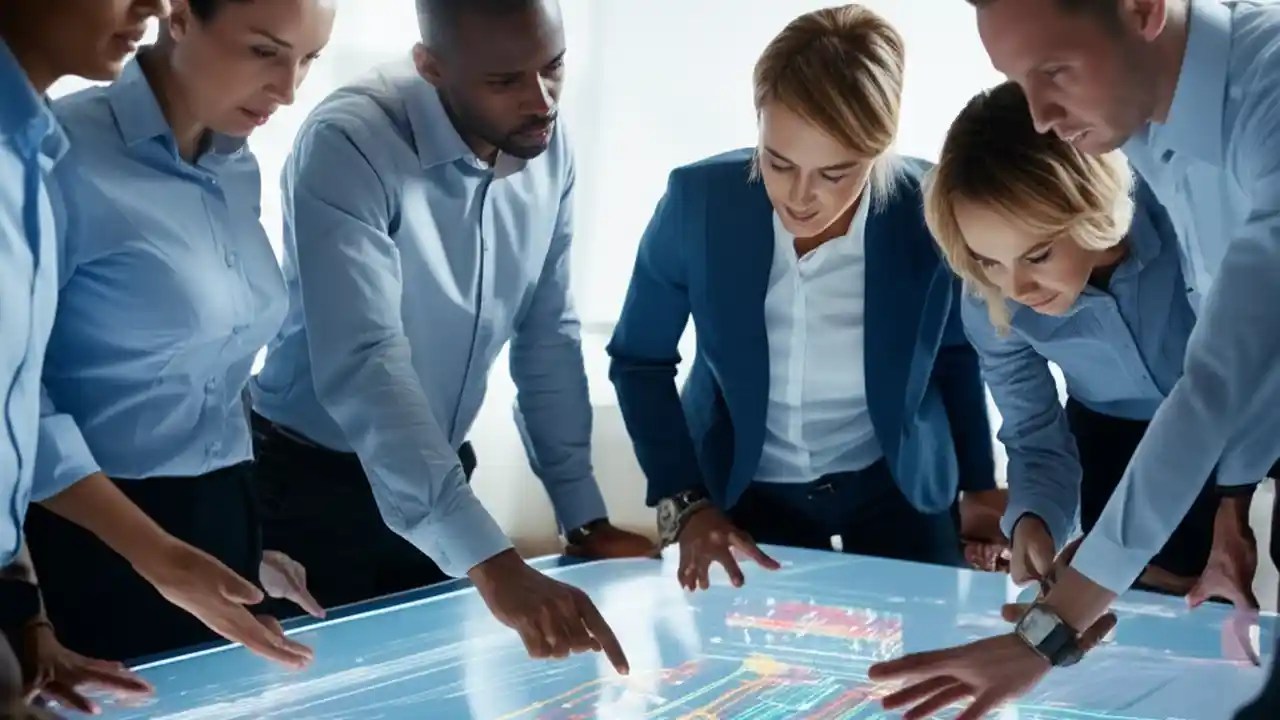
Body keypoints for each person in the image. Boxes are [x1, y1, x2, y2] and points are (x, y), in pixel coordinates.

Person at [870, 1, 1280, 718]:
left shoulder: (1255, 104)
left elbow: (1219, 373)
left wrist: (1050, 631)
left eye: (1054, 70)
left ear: (1143, 9)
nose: (1039, 119)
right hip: (1161, 440)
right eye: (1018, 80)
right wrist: (1049, 547)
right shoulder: (1142, 129)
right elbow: (1242, 349)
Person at [249, 0, 642, 671]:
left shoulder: (546, 140)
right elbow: (367, 361)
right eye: (505, 81)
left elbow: (548, 333)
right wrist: (491, 559)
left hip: (440, 475)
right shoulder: (348, 142)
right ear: (431, 67)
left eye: (554, 68)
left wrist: (583, 518)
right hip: (308, 487)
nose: (541, 99)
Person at [607, 4, 1000, 593]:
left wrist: (979, 485)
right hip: (742, 487)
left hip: (898, 481)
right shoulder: (697, 203)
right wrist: (686, 503)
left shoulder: (929, 209)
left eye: (836, 173)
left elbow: (954, 354)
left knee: (928, 659)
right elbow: (640, 360)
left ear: (880, 146)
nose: (800, 197)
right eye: (778, 162)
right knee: (743, 671)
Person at [1, 1, 322, 713]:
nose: (288, 89)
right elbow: (21, 400)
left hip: (219, 523)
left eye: (307, 61)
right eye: (266, 51)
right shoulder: (53, 149)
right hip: (93, 535)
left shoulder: (237, 166)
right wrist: (155, 553)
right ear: (180, 18)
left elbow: (215, 365)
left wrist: (247, 541)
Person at [928, 80, 1238, 601]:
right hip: (1114, 426)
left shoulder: (1182, 210)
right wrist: (1034, 520)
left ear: (1091, 209)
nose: (1017, 288)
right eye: (988, 259)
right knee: (1145, 597)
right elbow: (1033, 433)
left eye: (1038, 254)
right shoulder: (988, 299)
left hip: (1250, 392)